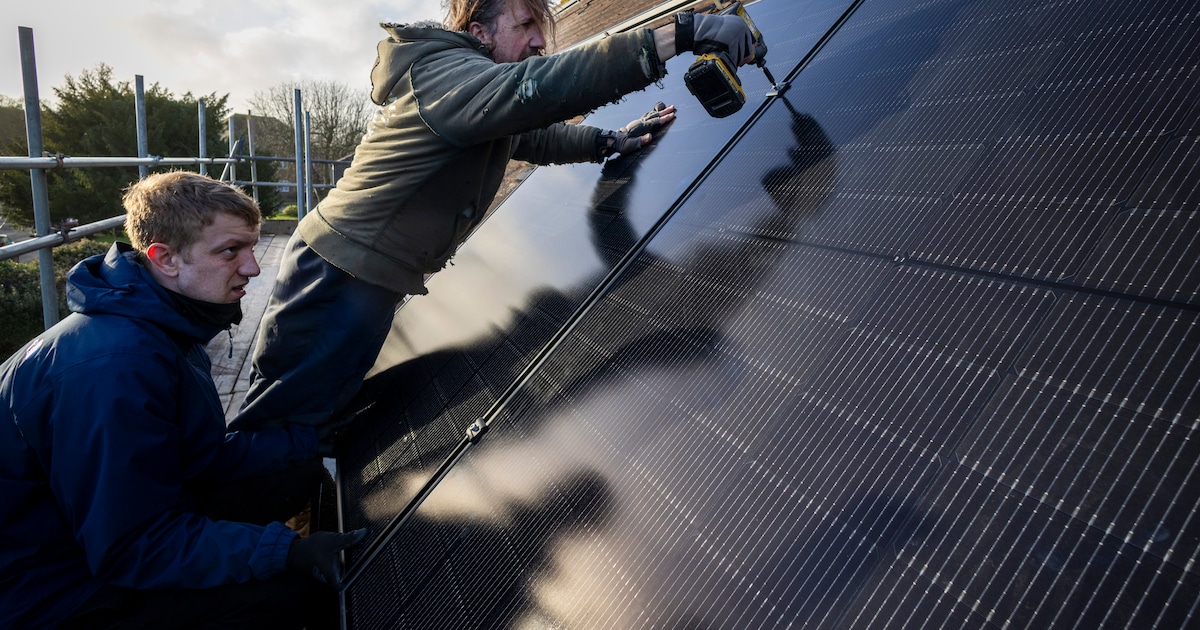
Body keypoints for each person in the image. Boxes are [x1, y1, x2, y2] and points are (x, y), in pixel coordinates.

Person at [231, 0, 758, 436]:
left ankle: (271, 530)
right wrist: (684, 32)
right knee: (278, 425)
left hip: (357, 276)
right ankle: (237, 547)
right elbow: (544, 88)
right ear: (479, 31)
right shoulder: (448, 76)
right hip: (334, 278)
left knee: (313, 417)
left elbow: (530, 136)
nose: (538, 42)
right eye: (526, 25)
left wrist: (607, 140)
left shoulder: (472, 86)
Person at [0, 171, 366, 630]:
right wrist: (286, 551)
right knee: (292, 596)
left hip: (91, 536)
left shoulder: (160, 322)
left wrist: (306, 441)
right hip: (51, 592)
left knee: (297, 471)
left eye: (251, 247)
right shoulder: (115, 368)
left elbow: (194, 456)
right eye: (230, 251)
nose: (252, 268)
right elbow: (132, 547)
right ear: (165, 258)